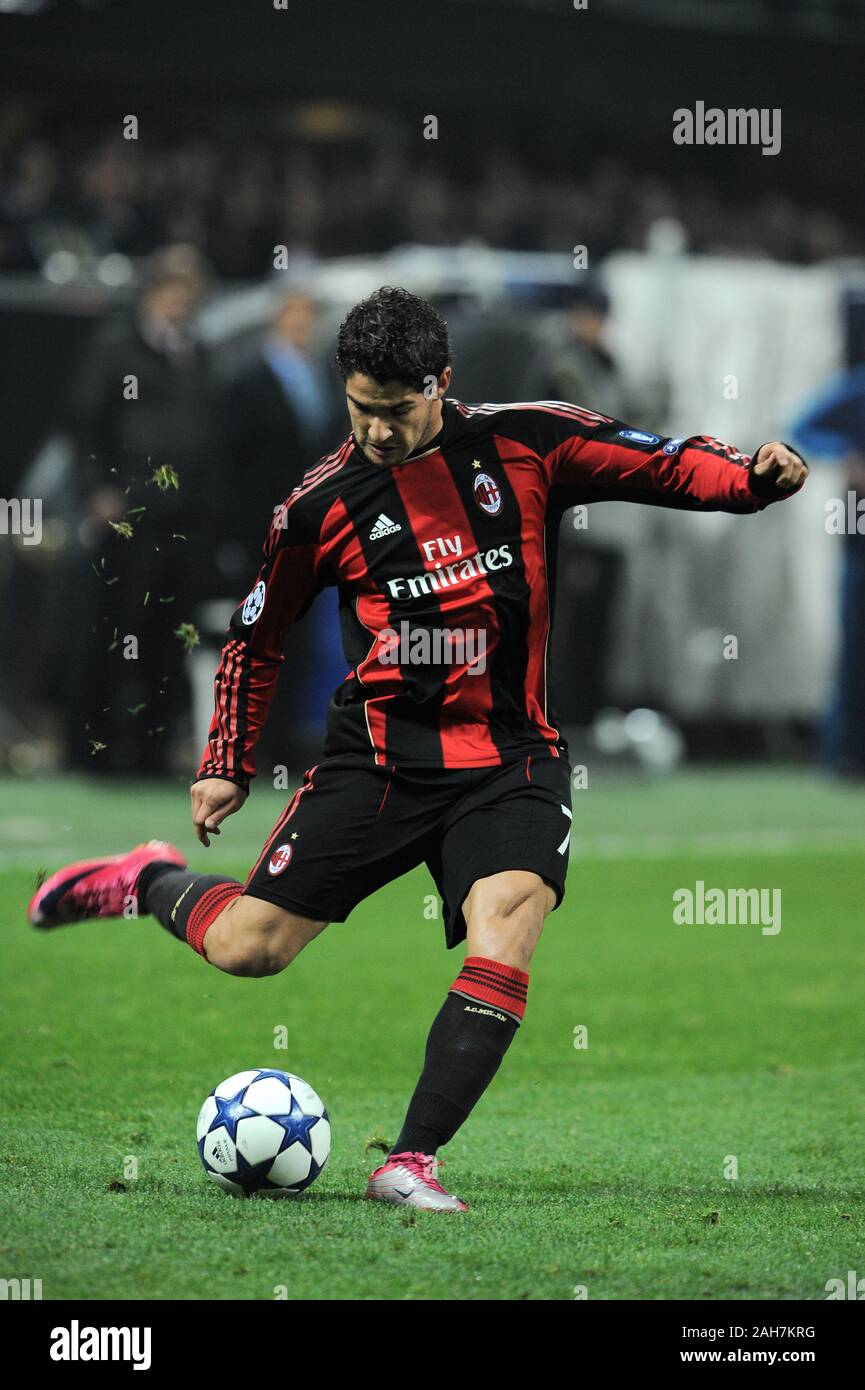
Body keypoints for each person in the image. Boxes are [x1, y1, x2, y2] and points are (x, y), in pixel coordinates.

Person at [30, 287, 809, 1211]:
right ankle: (145, 878)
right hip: (379, 764)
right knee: (250, 950)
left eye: (397, 412)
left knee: (509, 921)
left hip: (510, 757)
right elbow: (254, 635)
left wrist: (751, 479)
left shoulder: (527, 441)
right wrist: (224, 759)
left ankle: (410, 1160)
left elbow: (661, 460)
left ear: (441, 385)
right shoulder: (317, 505)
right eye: (362, 409)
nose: (379, 430)